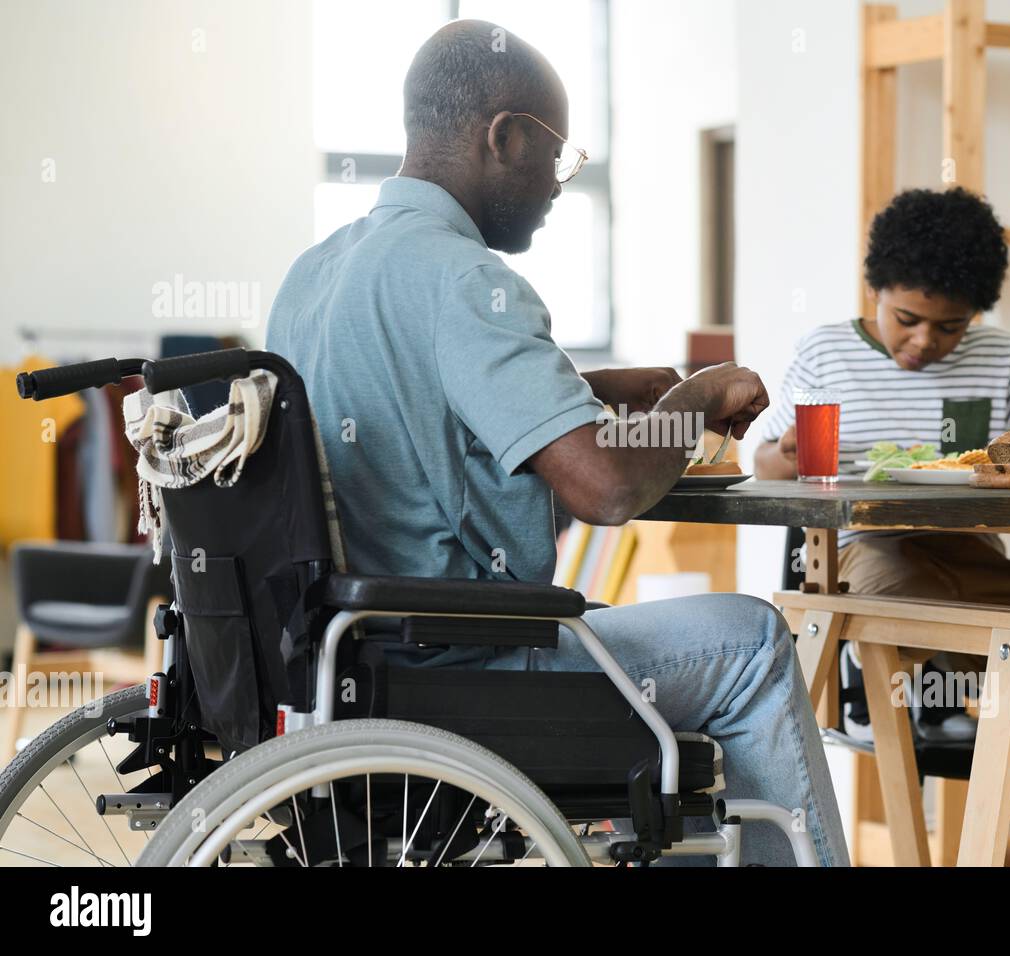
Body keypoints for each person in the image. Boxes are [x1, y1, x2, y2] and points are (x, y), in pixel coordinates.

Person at [266, 20, 848, 866]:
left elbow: (415, 405)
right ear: (501, 138)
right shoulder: (466, 278)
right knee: (753, 641)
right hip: (458, 674)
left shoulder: (313, 274)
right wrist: (698, 394)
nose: (558, 184)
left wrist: (594, 388)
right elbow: (604, 489)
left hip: (345, 661)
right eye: (555, 156)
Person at [754, 187, 1010, 731]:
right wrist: (784, 453)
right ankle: (912, 682)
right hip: (866, 552)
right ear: (875, 288)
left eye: (949, 327)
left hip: (973, 553)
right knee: (915, 617)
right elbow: (762, 464)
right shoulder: (826, 352)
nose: (925, 341)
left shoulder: (997, 354)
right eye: (907, 318)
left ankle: (945, 684)